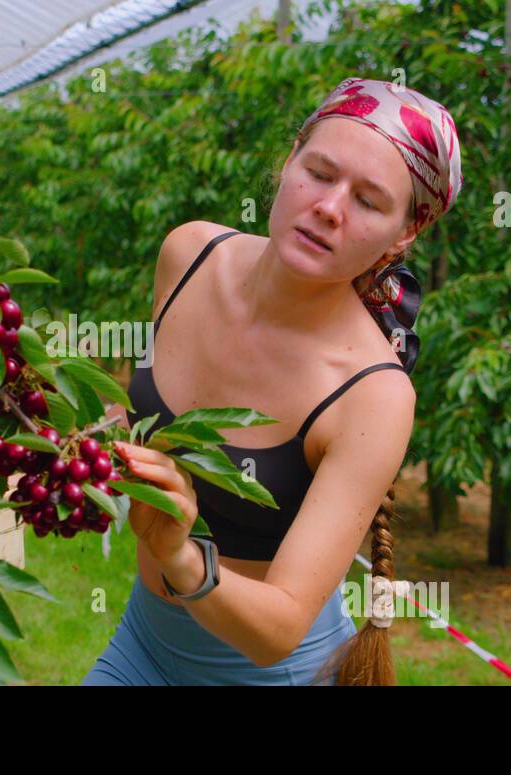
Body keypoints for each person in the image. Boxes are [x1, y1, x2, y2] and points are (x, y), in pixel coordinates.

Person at [81, 77, 463, 686]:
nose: (330, 208)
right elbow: (150, 424)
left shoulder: (372, 394)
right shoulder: (190, 255)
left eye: (369, 201)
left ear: (403, 233)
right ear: (289, 162)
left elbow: (277, 631)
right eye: (320, 171)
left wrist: (182, 556)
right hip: (142, 645)